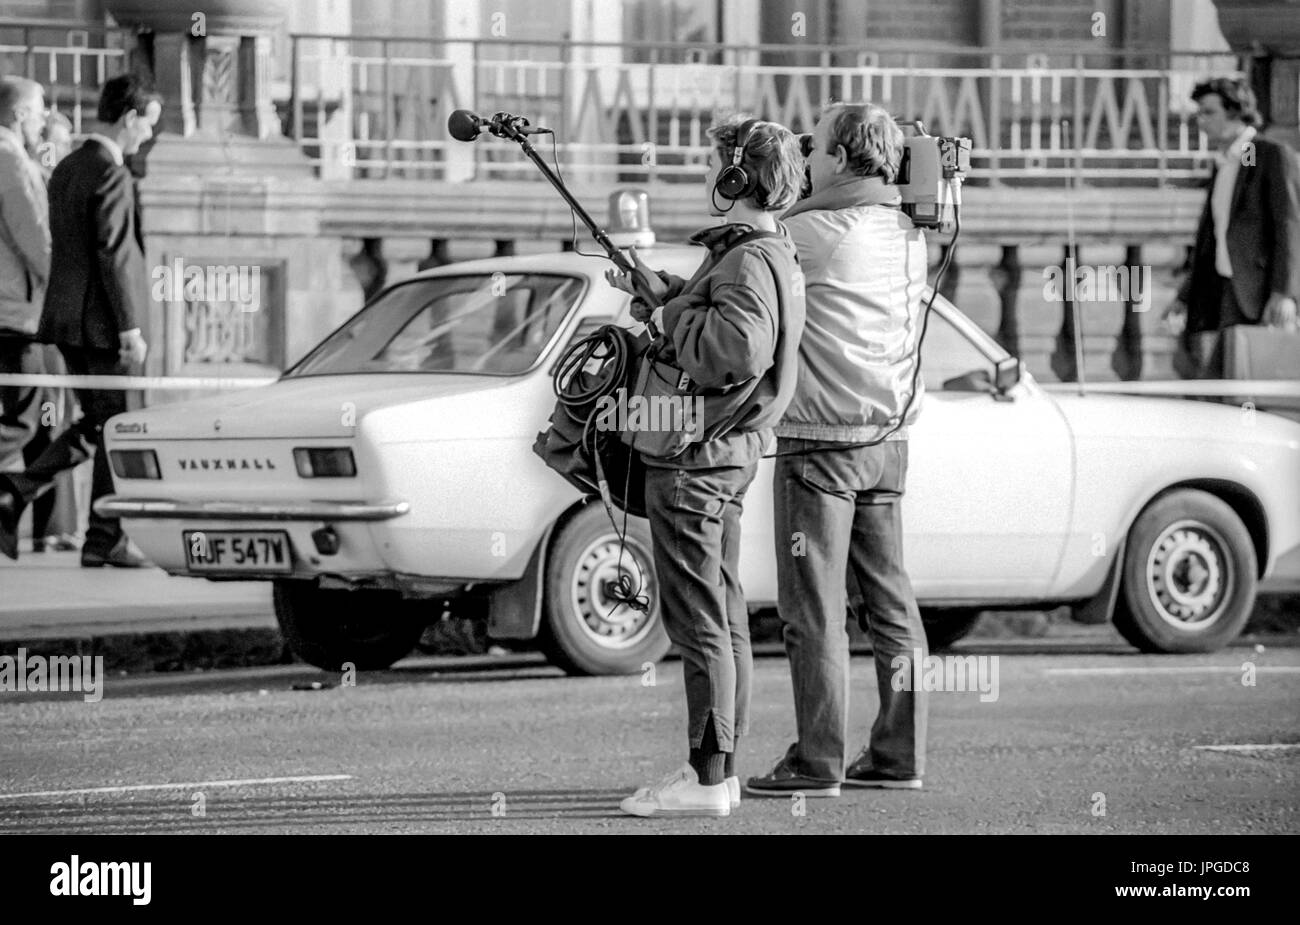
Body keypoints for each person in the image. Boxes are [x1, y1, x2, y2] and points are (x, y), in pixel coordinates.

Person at [606, 116, 806, 817]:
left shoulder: (750, 259)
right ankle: (718, 769)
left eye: (709, 166)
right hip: (719, 455)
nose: (702, 178)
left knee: (699, 622)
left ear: (734, 178)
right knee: (720, 613)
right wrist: (667, 294)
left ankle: (707, 777)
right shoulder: (761, 250)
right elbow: (717, 326)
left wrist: (667, 324)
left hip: (695, 462)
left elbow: (736, 349)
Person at [745, 102, 930, 798]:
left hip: (819, 444)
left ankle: (817, 759)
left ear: (843, 160)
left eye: (816, 146)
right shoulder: (907, 231)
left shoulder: (813, 232)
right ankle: (898, 754)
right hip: (887, 442)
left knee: (814, 608)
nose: (806, 152)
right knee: (891, 604)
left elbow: (747, 254)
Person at [0, 74, 155, 565]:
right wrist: (129, 327)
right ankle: (102, 537)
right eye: (148, 124)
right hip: (102, 325)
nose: (149, 135)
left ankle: (22, 494)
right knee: (117, 426)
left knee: (96, 423)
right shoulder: (111, 172)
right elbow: (112, 254)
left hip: (63, 322)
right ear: (129, 119)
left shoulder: (66, 165)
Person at [1165, 76, 1300, 377]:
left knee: (1254, 386)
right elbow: (1213, 239)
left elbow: (1289, 226)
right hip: (1223, 292)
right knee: (1220, 382)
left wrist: (1285, 293)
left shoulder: (1270, 155)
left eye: (1208, 112)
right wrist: (1184, 296)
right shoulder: (1224, 163)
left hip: (1260, 297)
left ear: (1235, 111)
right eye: (1199, 113)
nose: (1201, 121)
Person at [0, 77, 56, 548]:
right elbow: (33, 234)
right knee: (25, 416)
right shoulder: (10, 160)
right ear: (19, 114)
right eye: (38, 111)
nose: (42, 120)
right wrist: (58, 291)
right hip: (13, 313)